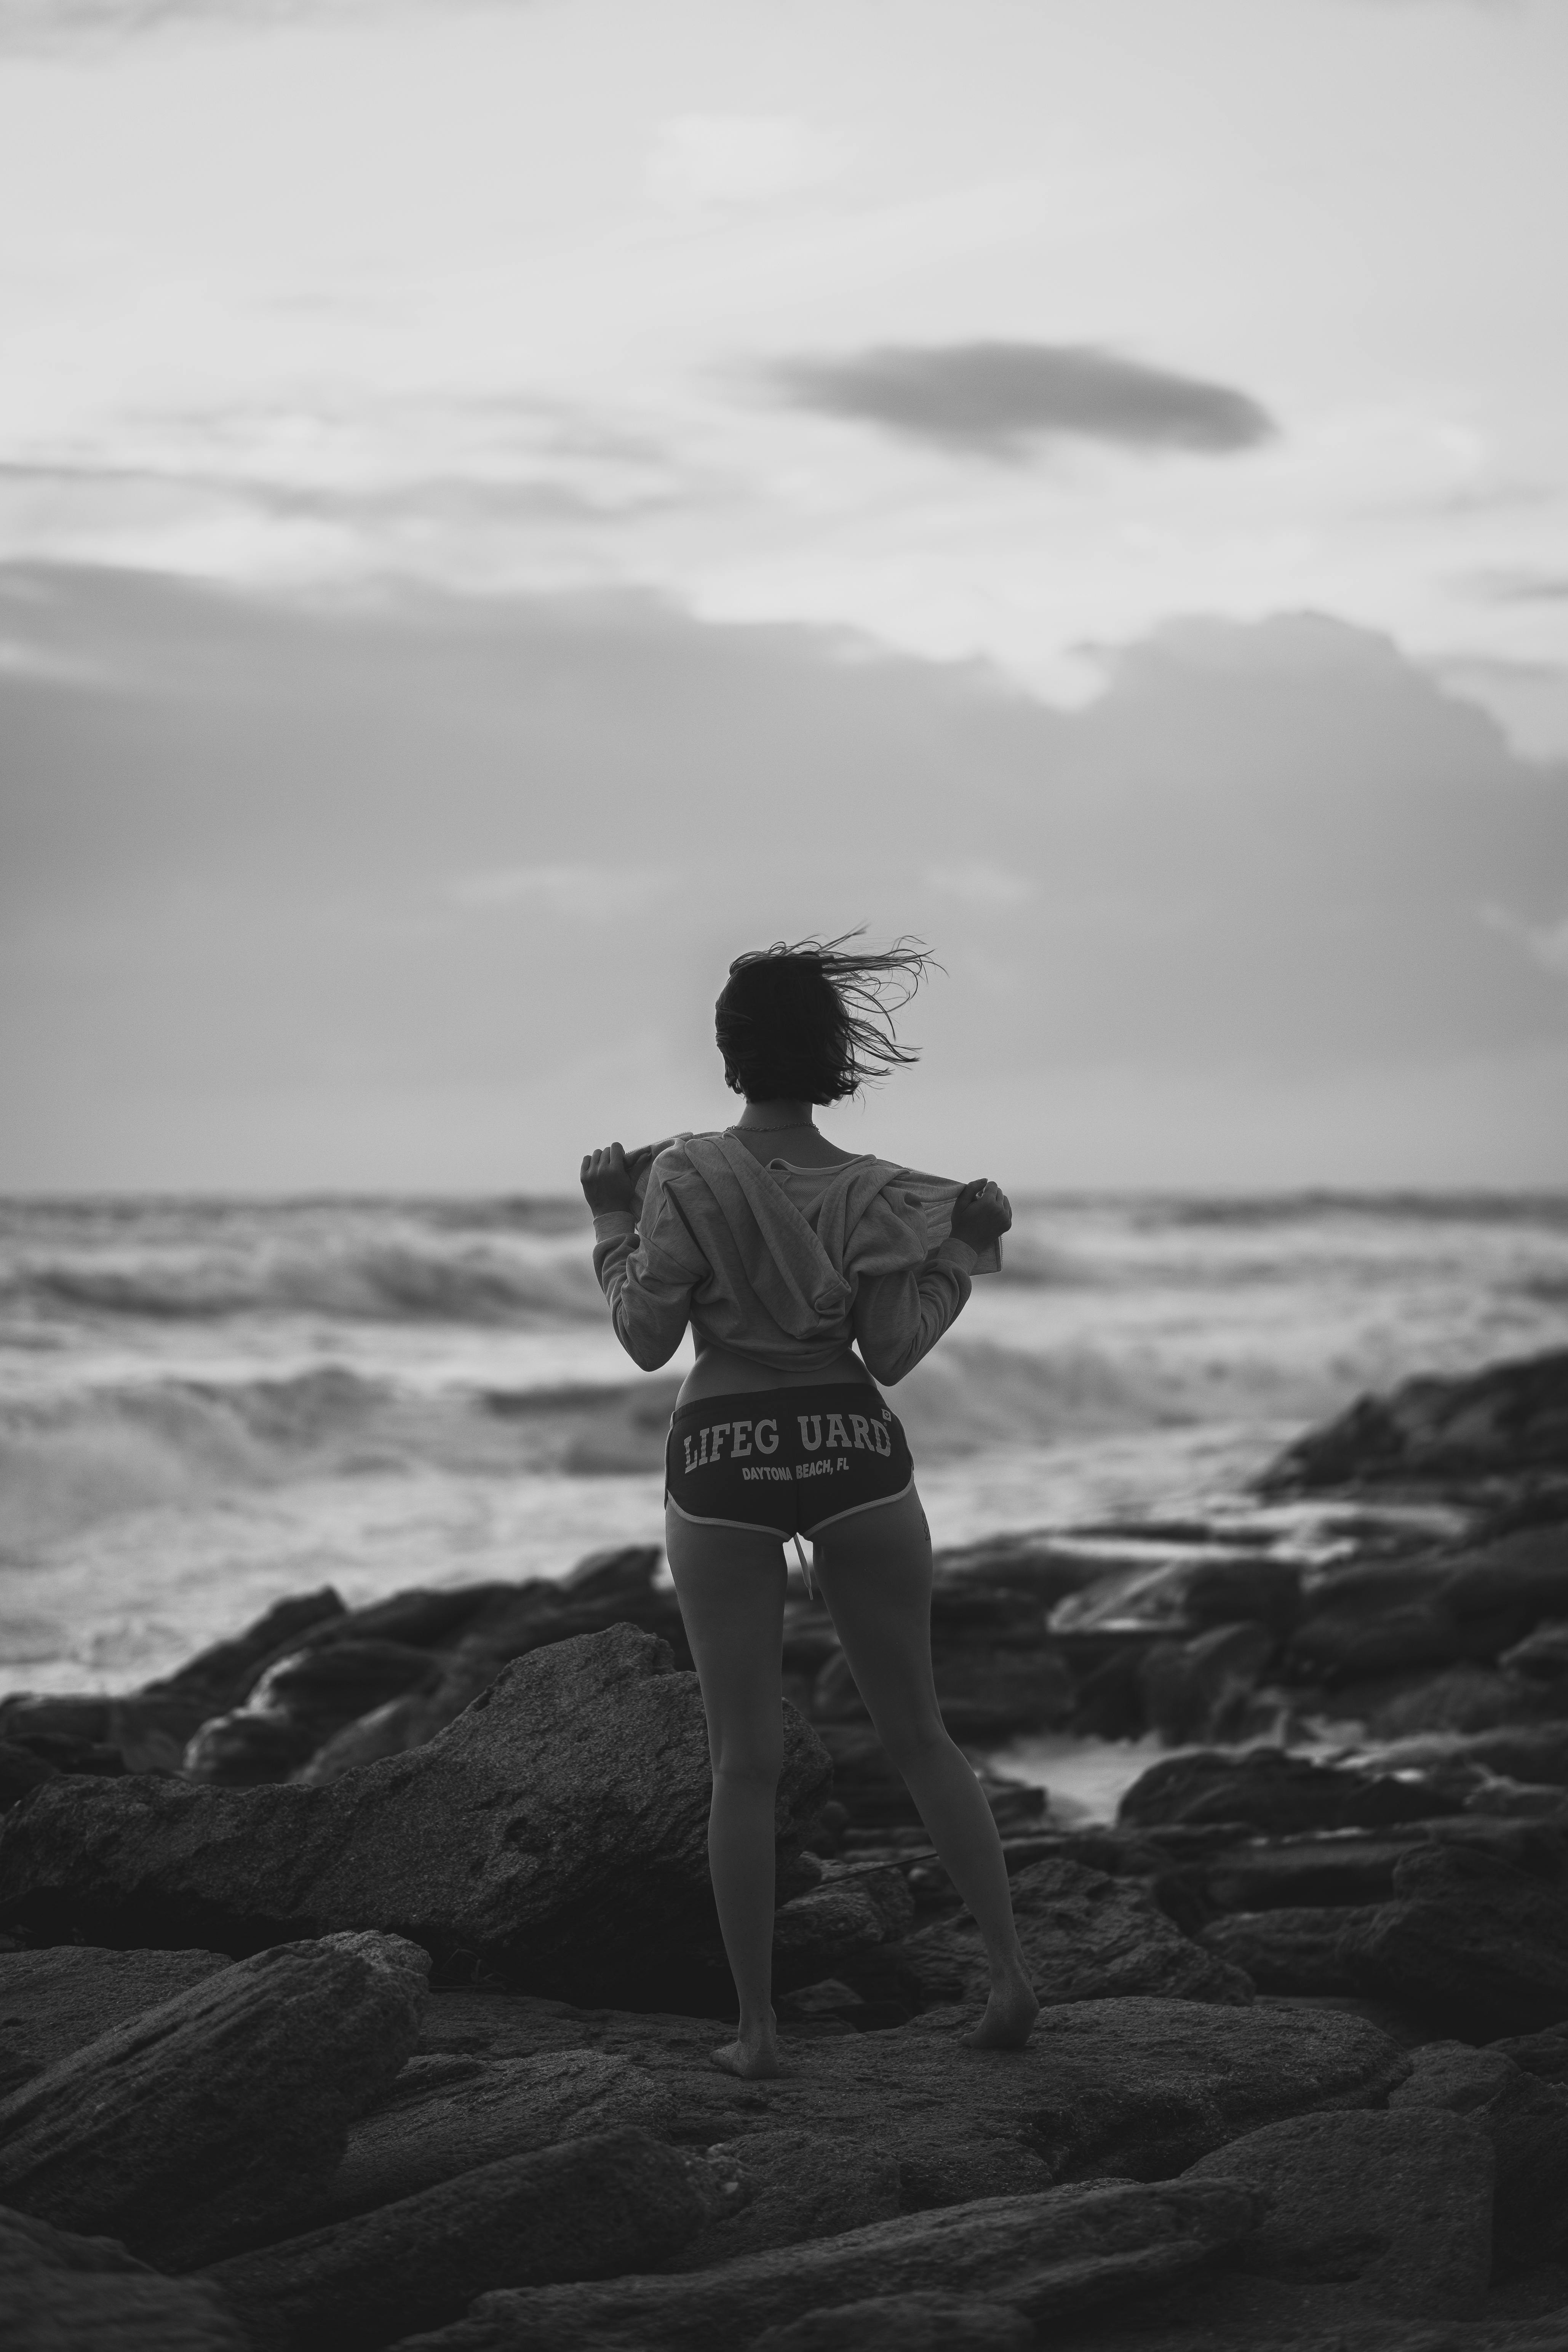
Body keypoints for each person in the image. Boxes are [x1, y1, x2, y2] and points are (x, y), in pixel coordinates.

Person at [580, 935, 1036, 2078]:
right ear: (835, 1058)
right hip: (851, 1450)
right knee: (921, 1733)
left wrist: (607, 1221)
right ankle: (1012, 1978)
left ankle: (758, 2030)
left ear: (730, 1056)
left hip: (725, 1456)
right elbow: (888, 1350)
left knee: (744, 1763)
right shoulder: (880, 1194)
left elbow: (646, 1339)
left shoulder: (680, 1175)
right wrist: (967, 1252)